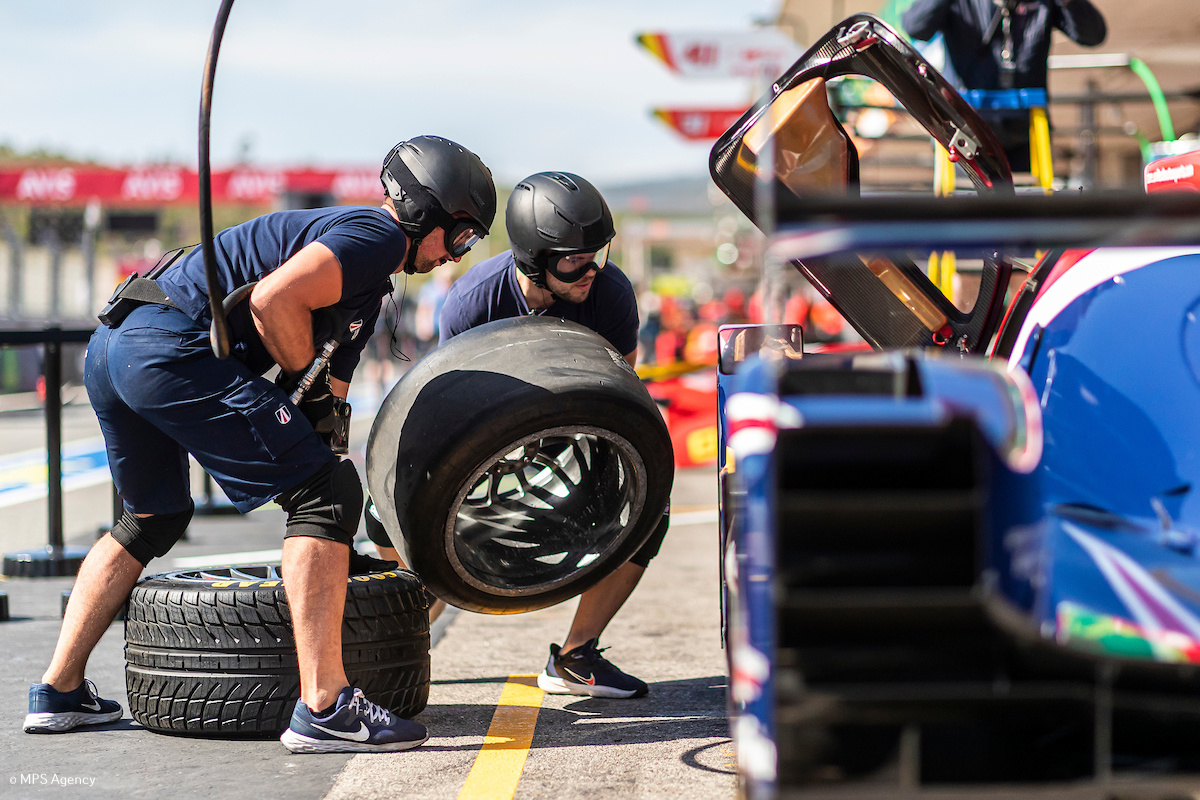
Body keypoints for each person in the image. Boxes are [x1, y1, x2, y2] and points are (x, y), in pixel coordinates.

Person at [23, 135, 496, 753]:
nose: (455, 256)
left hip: (114, 345)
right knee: (326, 497)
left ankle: (58, 693)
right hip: (168, 346)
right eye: (459, 237)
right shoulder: (374, 237)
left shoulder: (364, 277)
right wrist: (316, 432)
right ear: (424, 212)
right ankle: (325, 706)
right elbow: (276, 301)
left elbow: (331, 386)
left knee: (151, 517)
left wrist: (325, 424)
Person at [367, 171, 668, 699]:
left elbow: (621, 393)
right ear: (534, 258)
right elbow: (444, 402)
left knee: (649, 506)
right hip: (479, 435)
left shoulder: (610, 293)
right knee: (404, 526)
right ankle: (395, 654)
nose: (592, 270)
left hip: (573, 433)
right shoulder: (473, 302)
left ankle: (576, 655)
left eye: (598, 254)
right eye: (575, 259)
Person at [902, 0, 1106, 171]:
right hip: (965, 129)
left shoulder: (1042, 4)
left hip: (1025, 130)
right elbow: (915, 26)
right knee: (973, 202)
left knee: (1023, 207)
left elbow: (1093, 35)